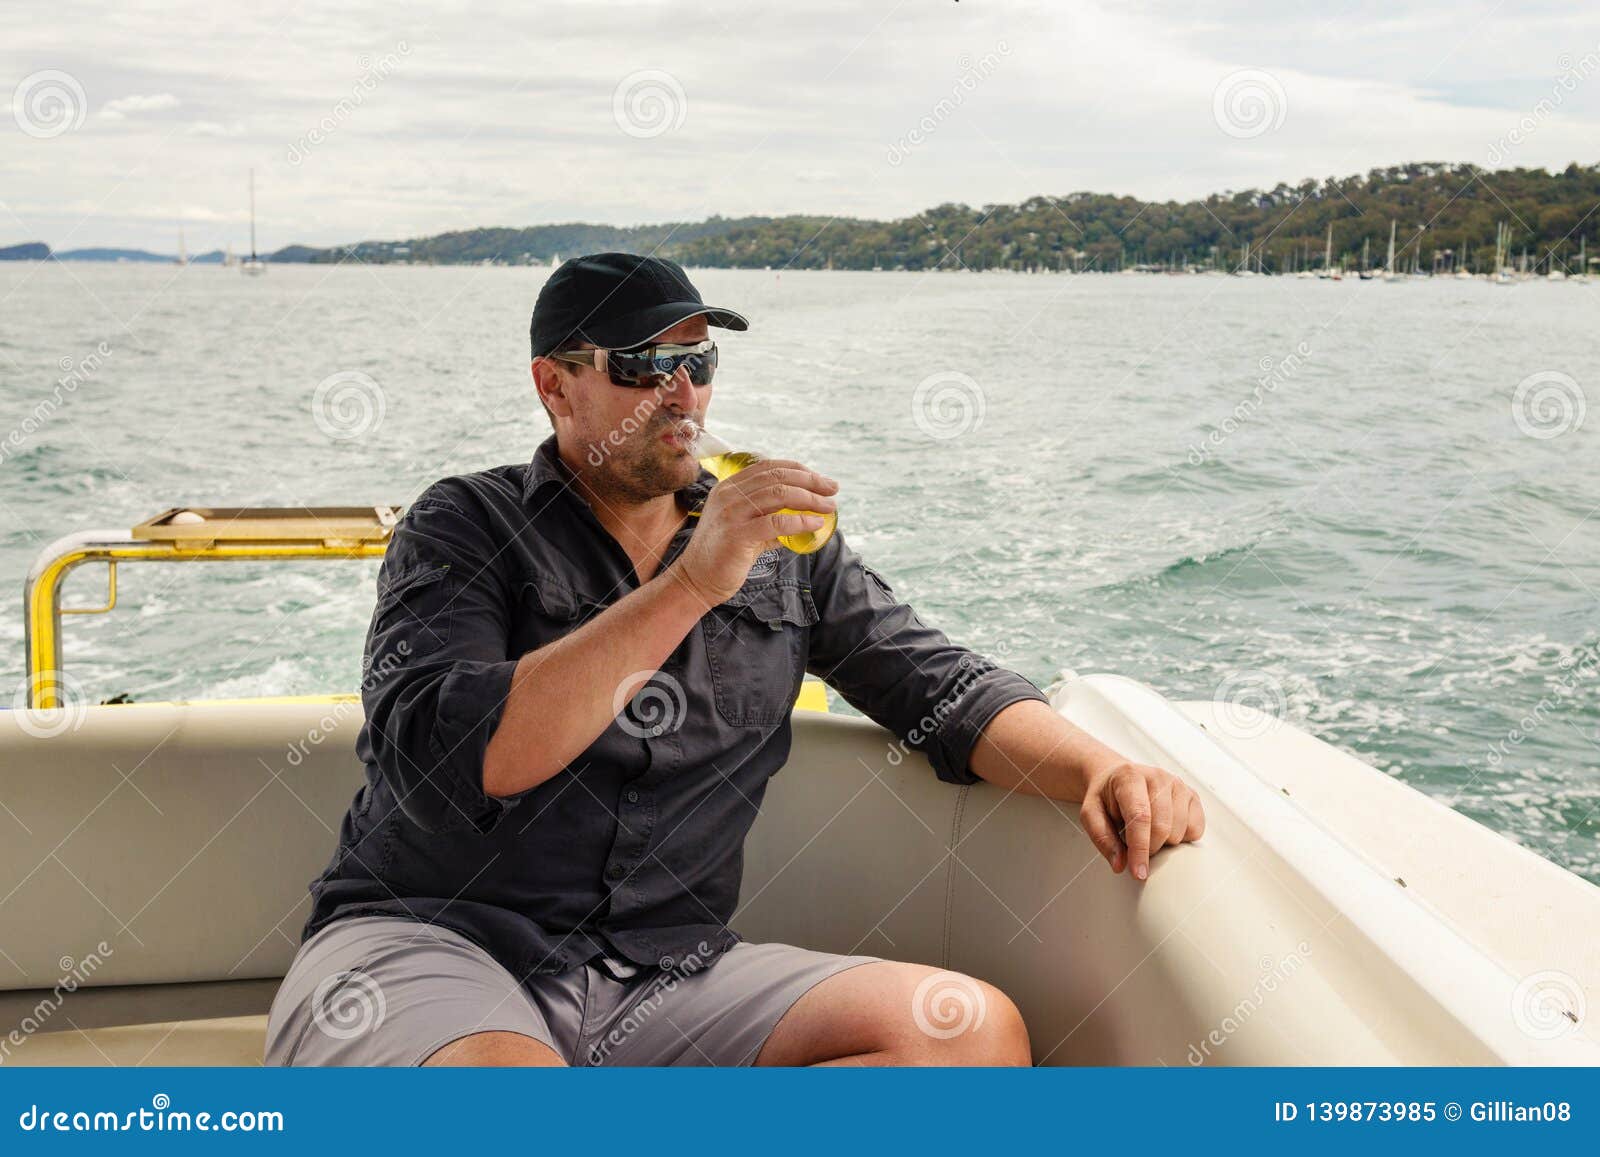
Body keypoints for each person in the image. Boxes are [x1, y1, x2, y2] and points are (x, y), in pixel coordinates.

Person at [264, 252, 1204, 1068]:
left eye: (698, 361)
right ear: (555, 385)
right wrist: (690, 585)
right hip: (439, 943)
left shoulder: (781, 553)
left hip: (663, 970)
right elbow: (454, 761)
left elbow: (939, 686)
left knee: (965, 1036)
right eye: (643, 365)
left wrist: (1101, 768)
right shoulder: (463, 525)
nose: (683, 395)